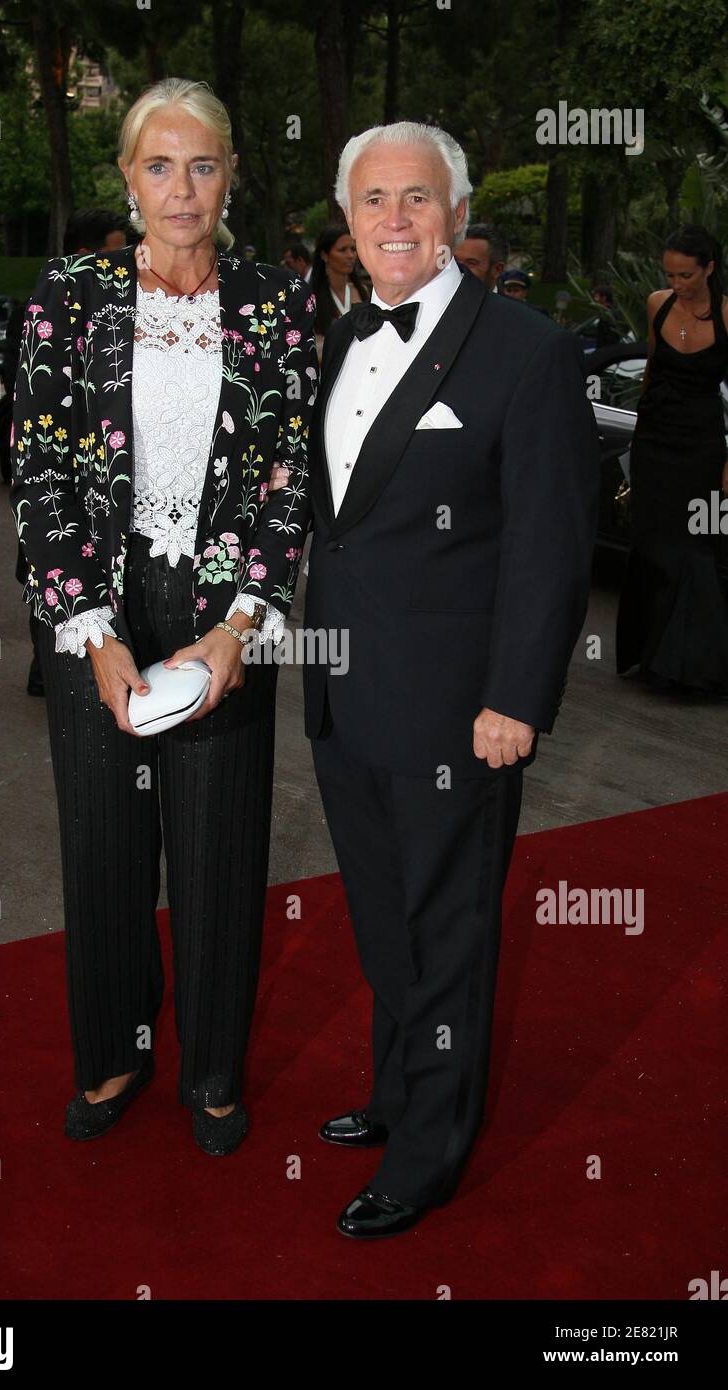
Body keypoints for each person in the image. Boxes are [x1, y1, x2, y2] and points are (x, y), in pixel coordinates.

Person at [302, 120, 598, 1238]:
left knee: (447, 926)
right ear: (346, 218)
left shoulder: (524, 350)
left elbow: (548, 546)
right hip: (341, 691)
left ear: (454, 214)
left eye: (414, 198)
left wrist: (515, 699)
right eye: (371, 198)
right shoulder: (334, 342)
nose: (392, 218)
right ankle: (394, 1092)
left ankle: (429, 1148)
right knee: (384, 917)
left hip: (457, 710)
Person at [9, 78, 316, 1154]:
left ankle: (215, 1069)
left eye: (201, 166)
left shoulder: (279, 302)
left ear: (229, 173)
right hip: (104, 595)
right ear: (127, 176)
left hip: (222, 605)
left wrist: (240, 625)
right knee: (101, 841)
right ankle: (111, 1052)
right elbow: (41, 469)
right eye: (157, 166)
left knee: (220, 846)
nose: (180, 191)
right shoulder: (68, 292)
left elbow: (289, 474)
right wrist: (90, 630)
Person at [0, 209, 130, 698]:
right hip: (57, 487)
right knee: (46, 575)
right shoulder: (49, 301)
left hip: (105, 501)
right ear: (83, 253)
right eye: (112, 249)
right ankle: (49, 667)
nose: (123, 260)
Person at [616, 225, 728, 692]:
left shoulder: (726, 314)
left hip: (700, 448)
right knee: (651, 547)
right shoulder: (657, 304)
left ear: (710, 269)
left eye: (687, 275)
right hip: (653, 446)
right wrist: (637, 440)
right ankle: (651, 657)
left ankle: (690, 668)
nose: (678, 283)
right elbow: (651, 373)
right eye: (671, 274)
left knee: (695, 550)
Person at [311, 224, 368, 360]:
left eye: (353, 249)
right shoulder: (312, 298)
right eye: (342, 250)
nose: (350, 255)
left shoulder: (362, 291)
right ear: (325, 255)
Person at [454, 221, 509, 291]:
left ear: (497, 269)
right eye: (454, 261)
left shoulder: (507, 302)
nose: (458, 268)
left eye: (471, 263)